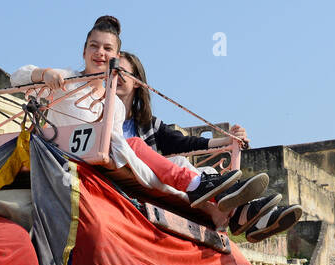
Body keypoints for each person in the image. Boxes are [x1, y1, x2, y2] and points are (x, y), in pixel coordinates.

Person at [13, 16, 267, 215]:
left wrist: (226, 140)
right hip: (64, 155)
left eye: (107, 49)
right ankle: (203, 188)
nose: (99, 53)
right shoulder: (65, 79)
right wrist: (43, 73)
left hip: (106, 161)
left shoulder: (116, 106)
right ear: (83, 52)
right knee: (139, 147)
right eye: (94, 46)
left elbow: (132, 147)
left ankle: (231, 201)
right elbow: (17, 77)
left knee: (174, 160)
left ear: (114, 58)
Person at [115, 51, 302, 242]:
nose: (116, 76)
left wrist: (228, 141)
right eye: (113, 71)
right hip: (131, 176)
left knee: (205, 170)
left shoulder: (147, 124)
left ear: (137, 81)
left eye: (122, 71)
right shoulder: (98, 111)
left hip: (158, 179)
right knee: (180, 163)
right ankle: (244, 214)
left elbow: (184, 143)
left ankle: (246, 213)